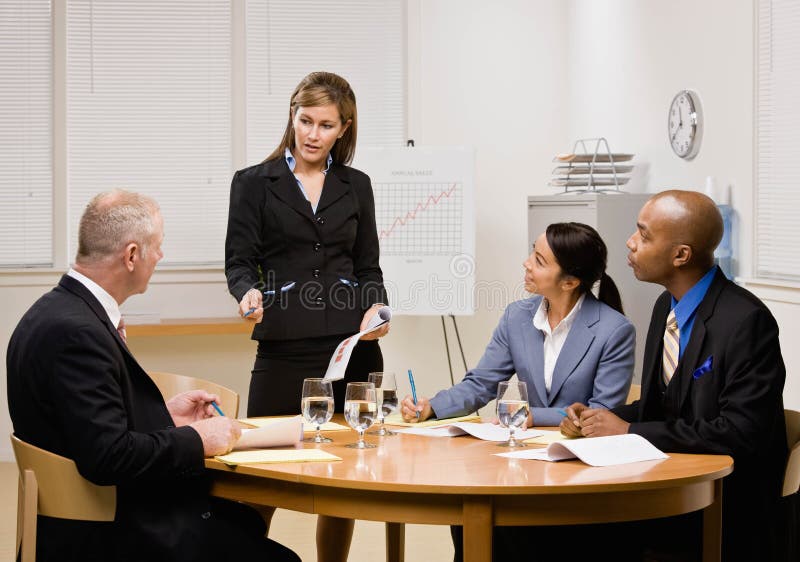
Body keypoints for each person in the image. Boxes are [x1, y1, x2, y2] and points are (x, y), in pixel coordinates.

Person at [6, 190, 299, 562]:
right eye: (157, 247)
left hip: (86, 518)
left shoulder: (54, 311)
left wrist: (165, 418)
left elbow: (85, 427)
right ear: (131, 255)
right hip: (106, 534)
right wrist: (197, 439)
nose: (161, 257)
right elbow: (108, 458)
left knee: (244, 521)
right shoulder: (77, 333)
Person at [562, 190, 788, 561]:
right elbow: (663, 407)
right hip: (667, 490)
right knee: (539, 531)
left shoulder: (746, 321)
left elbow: (741, 433)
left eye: (644, 235)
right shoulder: (664, 306)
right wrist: (598, 418)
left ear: (681, 255)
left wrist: (628, 431)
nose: (630, 243)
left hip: (723, 509)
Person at [224, 71, 388, 562]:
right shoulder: (254, 182)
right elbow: (239, 261)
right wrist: (247, 291)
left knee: (342, 481)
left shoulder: (357, 185)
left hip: (352, 348)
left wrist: (378, 306)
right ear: (292, 118)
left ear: (345, 127)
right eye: (306, 121)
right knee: (261, 476)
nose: (314, 134)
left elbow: (367, 265)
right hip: (283, 344)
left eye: (326, 124)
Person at [400, 222, 635, 561]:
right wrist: (431, 407)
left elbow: (600, 413)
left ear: (570, 282)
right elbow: (481, 383)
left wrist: (527, 415)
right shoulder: (517, 317)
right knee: (468, 508)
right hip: (525, 464)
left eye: (539, 260)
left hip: (580, 472)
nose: (526, 263)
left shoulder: (614, 330)